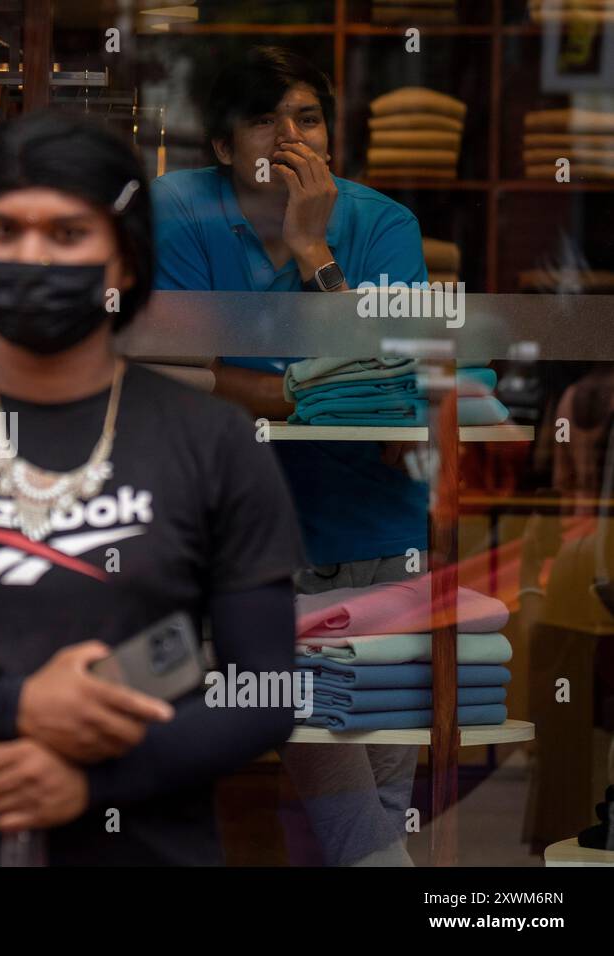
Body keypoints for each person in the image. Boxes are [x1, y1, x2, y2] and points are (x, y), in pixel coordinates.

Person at [0, 110, 304, 866]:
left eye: (68, 234)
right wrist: (20, 705)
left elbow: (264, 693)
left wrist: (95, 782)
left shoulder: (214, 442)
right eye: (4, 231)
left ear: (125, 261)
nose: (32, 256)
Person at [152, 46, 430, 865]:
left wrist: (314, 252)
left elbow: (386, 390)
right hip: (250, 545)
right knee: (336, 782)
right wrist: (291, 392)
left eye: (306, 119)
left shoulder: (381, 225)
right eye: (264, 121)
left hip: (376, 527)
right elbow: (162, 365)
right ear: (221, 147)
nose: (289, 138)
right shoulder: (177, 212)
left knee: (380, 783)